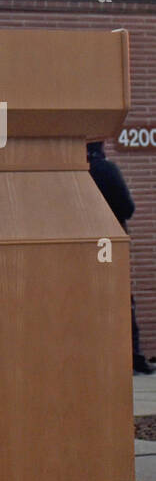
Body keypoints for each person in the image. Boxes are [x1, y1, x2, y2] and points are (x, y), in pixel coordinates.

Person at [86, 141, 151, 374]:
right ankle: (133, 360)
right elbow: (127, 208)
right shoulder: (107, 170)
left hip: (82, 246)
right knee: (122, 300)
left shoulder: (76, 172)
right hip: (112, 242)